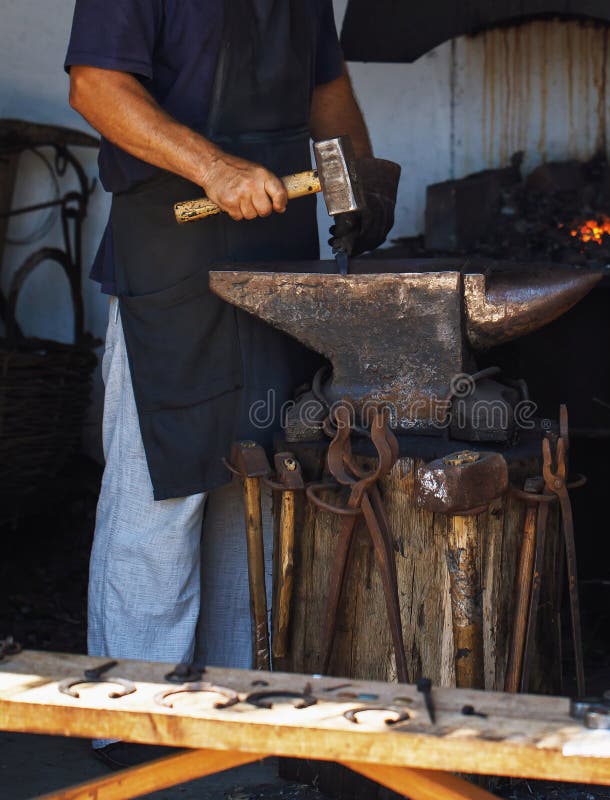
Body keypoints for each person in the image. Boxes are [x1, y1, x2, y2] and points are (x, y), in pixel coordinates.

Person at [65, 0, 400, 769]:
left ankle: (230, 710)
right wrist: (214, 167)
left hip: (276, 258)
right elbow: (96, 87)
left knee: (255, 481)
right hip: (173, 253)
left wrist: (359, 179)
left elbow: (327, 91)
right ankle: (135, 719)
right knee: (162, 490)